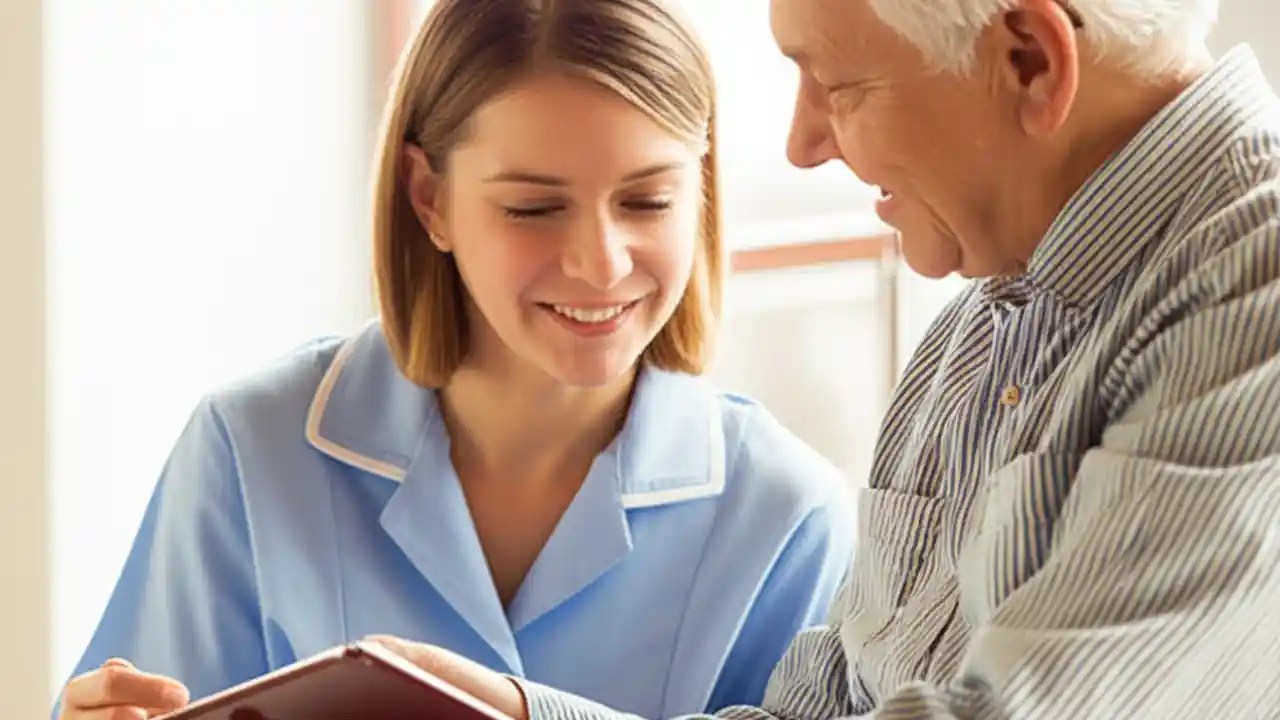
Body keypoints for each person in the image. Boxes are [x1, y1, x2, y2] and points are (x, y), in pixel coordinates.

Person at [364, 0, 1280, 717]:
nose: (803, 146)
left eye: (837, 85)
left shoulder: (1256, 295)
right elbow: (830, 704)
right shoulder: (980, 329)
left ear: (1030, 61)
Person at [52, 1, 859, 717]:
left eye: (648, 200)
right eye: (534, 208)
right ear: (428, 197)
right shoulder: (248, 452)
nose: (601, 263)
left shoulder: (790, 517)